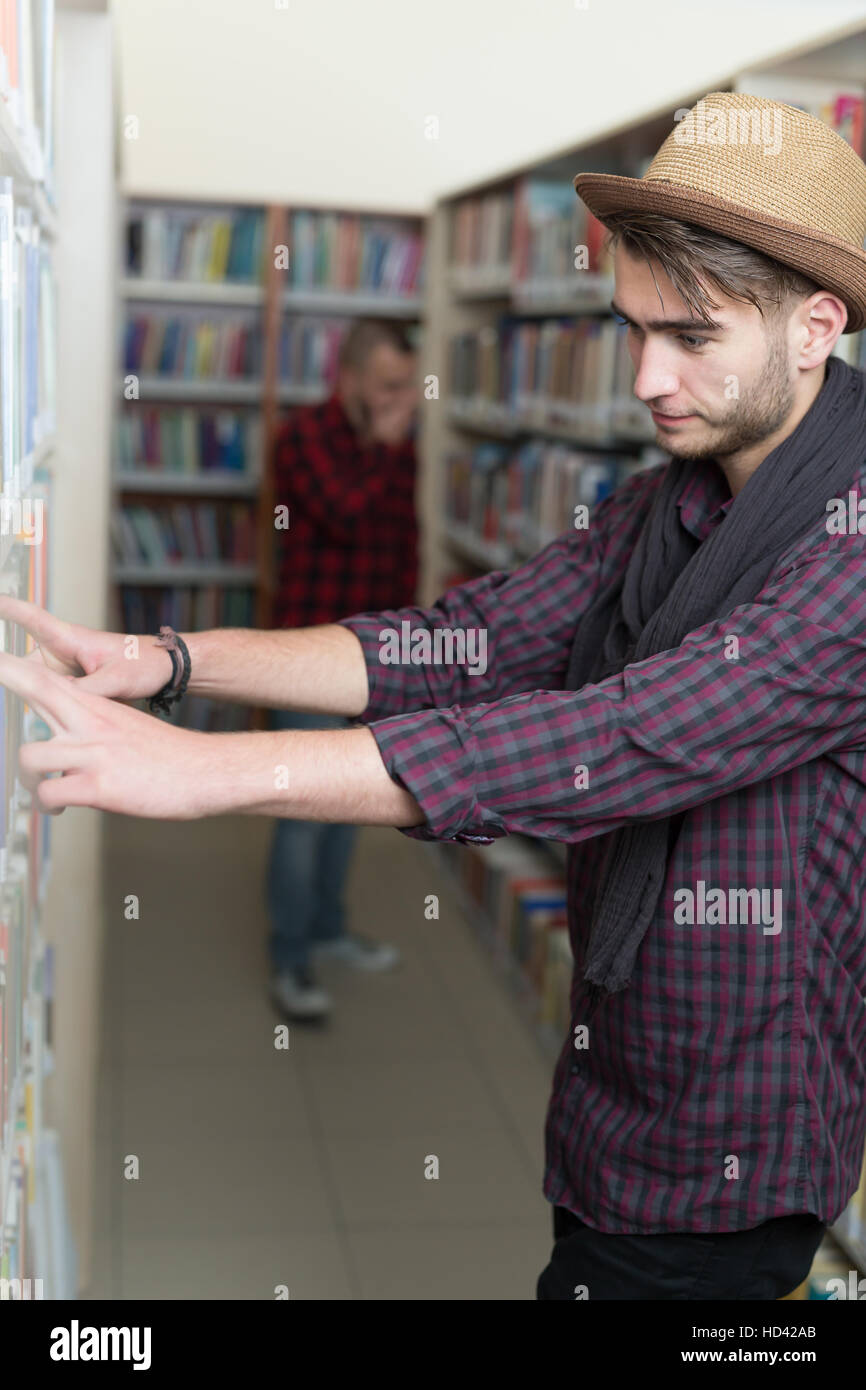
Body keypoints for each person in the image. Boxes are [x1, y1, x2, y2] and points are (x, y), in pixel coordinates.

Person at [2, 90, 866, 1300]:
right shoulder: (667, 496)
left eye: (689, 337)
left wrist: (205, 769)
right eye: (629, 331)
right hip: (614, 1100)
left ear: (815, 327)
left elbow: (618, 737)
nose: (642, 380)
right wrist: (176, 660)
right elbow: (462, 640)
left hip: (728, 1161)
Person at [266, 318, 419, 1021]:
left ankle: (327, 930)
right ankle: (289, 958)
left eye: (406, 385)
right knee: (301, 814)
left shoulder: (395, 446)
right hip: (307, 650)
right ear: (350, 377)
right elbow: (343, 516)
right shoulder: (302, 438)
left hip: (376, 656)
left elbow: (399, 539)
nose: (400, 399)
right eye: (387, 385)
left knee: (349, 808)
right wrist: (387, 446)